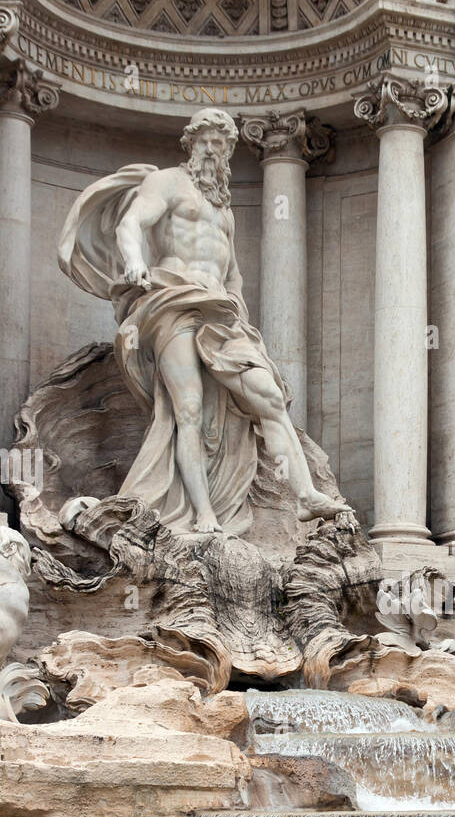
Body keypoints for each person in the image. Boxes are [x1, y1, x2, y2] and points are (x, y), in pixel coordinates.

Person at [59, 108, 344, 537]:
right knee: (187, 409)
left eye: (223, 144)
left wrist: (243, 322)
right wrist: (135, 261)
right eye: (207, 140)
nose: (214, 150)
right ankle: (203, 512)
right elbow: (131, 222)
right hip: (172, 300)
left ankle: (305, 495)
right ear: (191, 143)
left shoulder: (223, 210)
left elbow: (233, 276)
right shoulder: (166, 182)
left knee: (269, 396)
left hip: (221, 311)